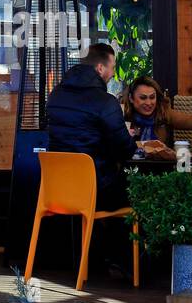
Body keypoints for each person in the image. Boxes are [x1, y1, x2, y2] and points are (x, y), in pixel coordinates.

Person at [46, 42, 136, 211]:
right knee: (138, 186)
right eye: (113, 67)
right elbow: (125, 150)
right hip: (95, 192)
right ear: (100, 68)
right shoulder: (105, 102)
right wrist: (127, 136)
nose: (114, 73)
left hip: (56, 191)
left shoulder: (55, 95)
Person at [121, 77, 192, 161]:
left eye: (152, 97)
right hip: (128, 168)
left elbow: (189, 120)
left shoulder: (163, 112)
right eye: (143, 98)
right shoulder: (120, 115)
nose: (149, 103)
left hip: (158, 169)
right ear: (131, 98)